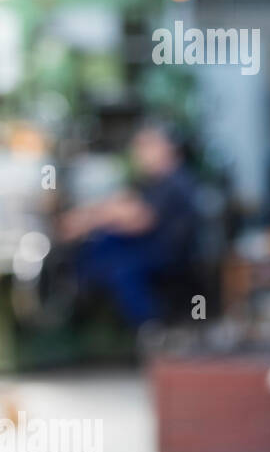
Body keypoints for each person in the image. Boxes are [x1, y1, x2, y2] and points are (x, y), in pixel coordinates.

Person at [58, 120, 200, 328]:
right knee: (97, 248)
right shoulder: (152, 182)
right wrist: (85, 218)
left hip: (169, 254)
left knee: (119, 266)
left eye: (145, 145)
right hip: (149, 248)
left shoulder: (175, 181)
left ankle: (152, 327)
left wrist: (95, 220)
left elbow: (140, 220)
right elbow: (123, 203)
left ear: (166, 147)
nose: (139, 153)